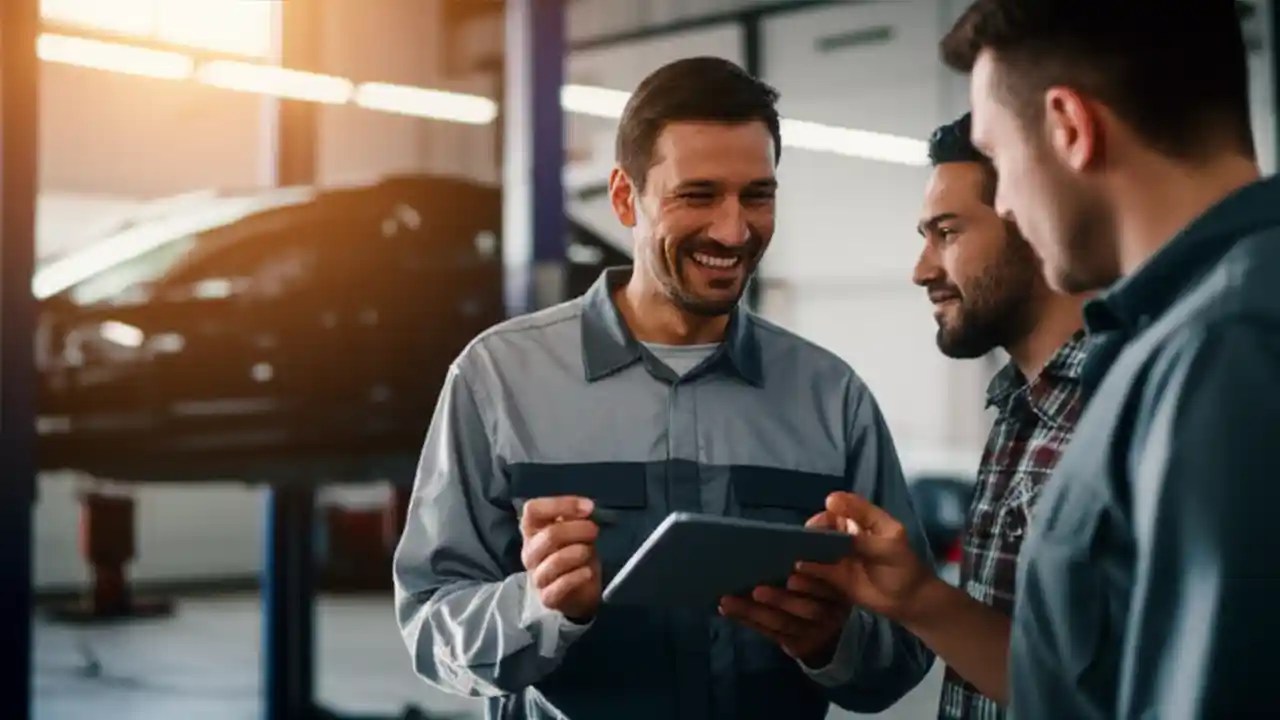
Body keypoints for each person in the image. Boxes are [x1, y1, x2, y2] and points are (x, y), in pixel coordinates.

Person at [393, 56, 934, 720]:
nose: (733, 231)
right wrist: (539, 608)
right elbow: (430, 622)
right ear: (626, 198)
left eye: (756, 195)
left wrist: (832, 642)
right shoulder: (498, 379)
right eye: (698, 195)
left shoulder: (830, 398)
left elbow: (909, 642)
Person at [808, 3, 1280, 719]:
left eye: (997, 159)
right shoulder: (1185, 335)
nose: (1011, 203)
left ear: (1069, 128)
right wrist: (918, 598)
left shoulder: (1223, 348)